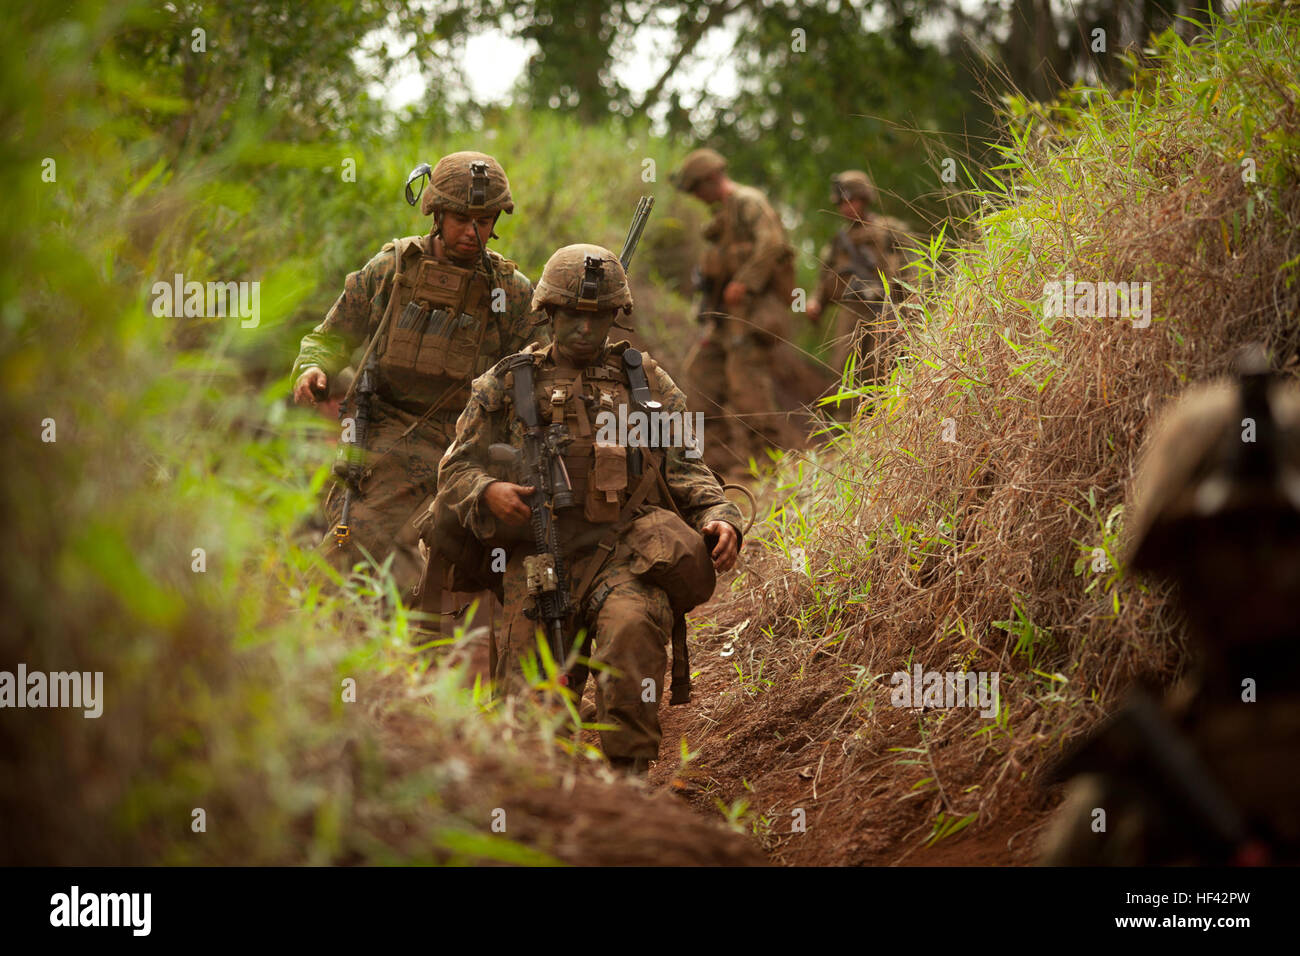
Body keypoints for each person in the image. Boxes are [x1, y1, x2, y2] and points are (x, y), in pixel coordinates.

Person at [435, 244, 744, 773]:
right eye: (573, 315)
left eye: (597, 317)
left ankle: (631, 784)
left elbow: (687, 465)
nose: (585, 328)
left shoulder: (643, 384)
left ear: (613, 316)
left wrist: (720, 516)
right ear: (549, 313)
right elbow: (454, 470)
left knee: (633, 629)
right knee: (530, 726)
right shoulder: (508, 382)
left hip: (621, 550)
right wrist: (489, 491)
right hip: (535, 557)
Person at [1040, 355, 1300, 865]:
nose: (1260, 573)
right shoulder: (1130, 792)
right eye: (1231, 543)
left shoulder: (1116, 804)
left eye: (1282, 539)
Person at [289, 151, 540, 605]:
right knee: (356, 540)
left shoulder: (511, 289)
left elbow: (537, 367)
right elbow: (330, 338)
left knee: (510, 552)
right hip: (391, 432)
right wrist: (312, 369)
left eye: (484, 221)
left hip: (473, 439)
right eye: (462, 219)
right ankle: (311, 635)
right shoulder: (393, 269)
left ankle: (463, 650)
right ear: (437, 214)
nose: (472, 232)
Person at [671, 147, 798, 477]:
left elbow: (771, 243)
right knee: (699, 378)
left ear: (712, 179)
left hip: (750, 316)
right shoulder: (722, 216)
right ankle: (718, 464)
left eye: (698, 188)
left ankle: (769, 468)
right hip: (724, 320)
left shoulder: (748, 201)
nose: (698, 197)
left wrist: (744, 281)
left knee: (748, 388)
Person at [807, 170, 913, 382]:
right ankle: (847, 414)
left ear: (864, 199)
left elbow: (913, 265)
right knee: (843, 369)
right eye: (842, 204)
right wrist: (815, 301)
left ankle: (888, 414)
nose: (846, 208)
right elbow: (826, 275)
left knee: (886, 366)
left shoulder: (889, 229)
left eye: (851, 201)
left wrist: (913, 301)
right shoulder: (840, 241)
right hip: (852, 309)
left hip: (887, 306)